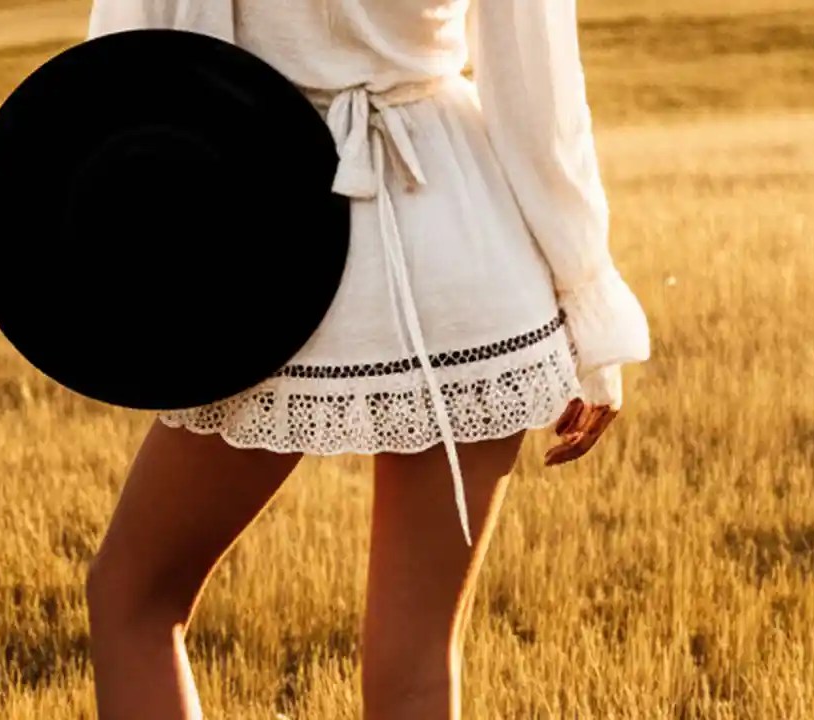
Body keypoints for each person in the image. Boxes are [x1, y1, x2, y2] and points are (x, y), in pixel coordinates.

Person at [82, 1, 651, 718]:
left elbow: (143, 62)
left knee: (133, 595)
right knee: (416, 661)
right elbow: (539, 94)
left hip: (261, 237)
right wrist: (591, 310)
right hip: (464, 244)